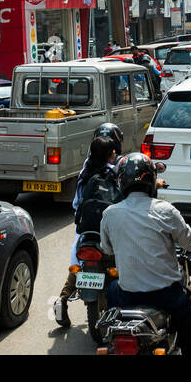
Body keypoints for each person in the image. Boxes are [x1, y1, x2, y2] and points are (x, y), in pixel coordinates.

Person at [100, 153, 191, 355]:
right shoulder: (165, 209)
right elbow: (190, 241)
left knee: (112, 289)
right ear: (151, 181)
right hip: (166, 296)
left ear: (122, 181)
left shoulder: (110, 213)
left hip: (127, 295)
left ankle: (111, 337)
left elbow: (107, 249)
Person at [53, 134, 119, 328]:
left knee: (80, 265)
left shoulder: (84, 174)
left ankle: (62, 299)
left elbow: (76, 204)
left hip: (85, 229)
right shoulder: (113, 174)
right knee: (118, 261)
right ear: (109, 154)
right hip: (108, 230)